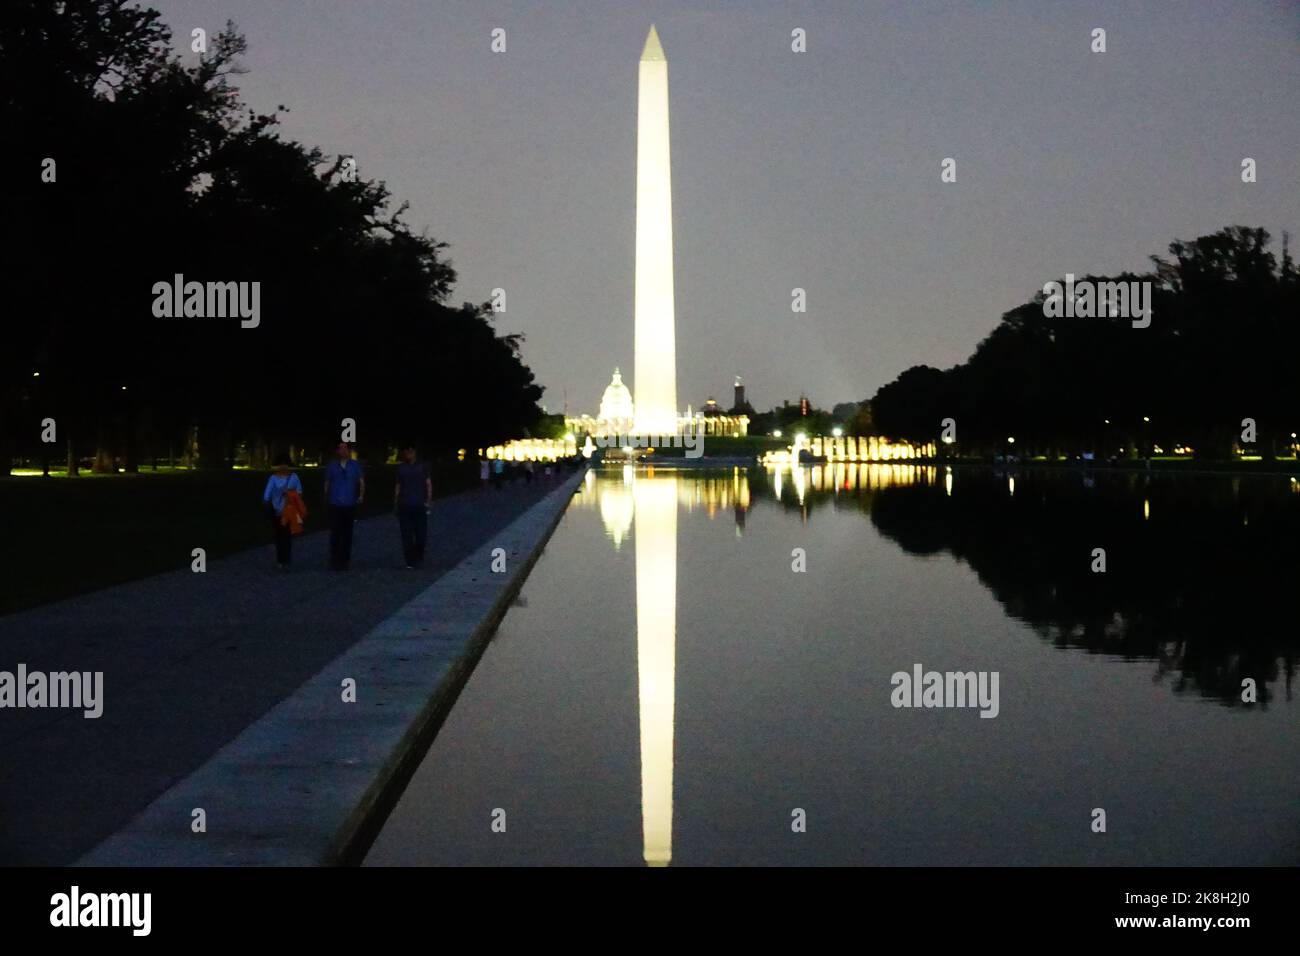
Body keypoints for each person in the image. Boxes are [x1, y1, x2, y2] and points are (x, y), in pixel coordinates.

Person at [323, 442, 365, 570]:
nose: (343, 451)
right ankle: (334, 559)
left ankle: (345, 560)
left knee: (347, 534)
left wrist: (361, 495)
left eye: (345, 448)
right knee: (335, 533)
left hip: (349, 504)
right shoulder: (332, 466)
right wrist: (326, 496)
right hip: (335, 504)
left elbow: (361, 481)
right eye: (341, 448)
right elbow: (327, 482)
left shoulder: (355, 465)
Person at [262, 454, 305, 570]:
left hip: (289, 511)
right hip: (277, 512)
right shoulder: (273, 478)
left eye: (285, 464)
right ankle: (281, 560)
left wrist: (290, 493)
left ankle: (285, 560)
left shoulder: (294, 477)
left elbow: (300, 493)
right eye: (281, 464)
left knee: (286, 536)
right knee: (279, 536)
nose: (283, 466)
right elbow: (266, 496)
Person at [394, 443, 432, 569]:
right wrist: (396, 502)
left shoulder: (423, 466)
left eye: (411, 451)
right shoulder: (401, 468)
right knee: (406, 534)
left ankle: (418, 555)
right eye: (407, 451)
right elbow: (398, 486)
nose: (409, 453)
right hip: (405, 504)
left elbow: (428, 484)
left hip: (419, 504)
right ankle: (410, 560)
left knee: (421, 534)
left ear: (415, 452)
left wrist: (428, 501)